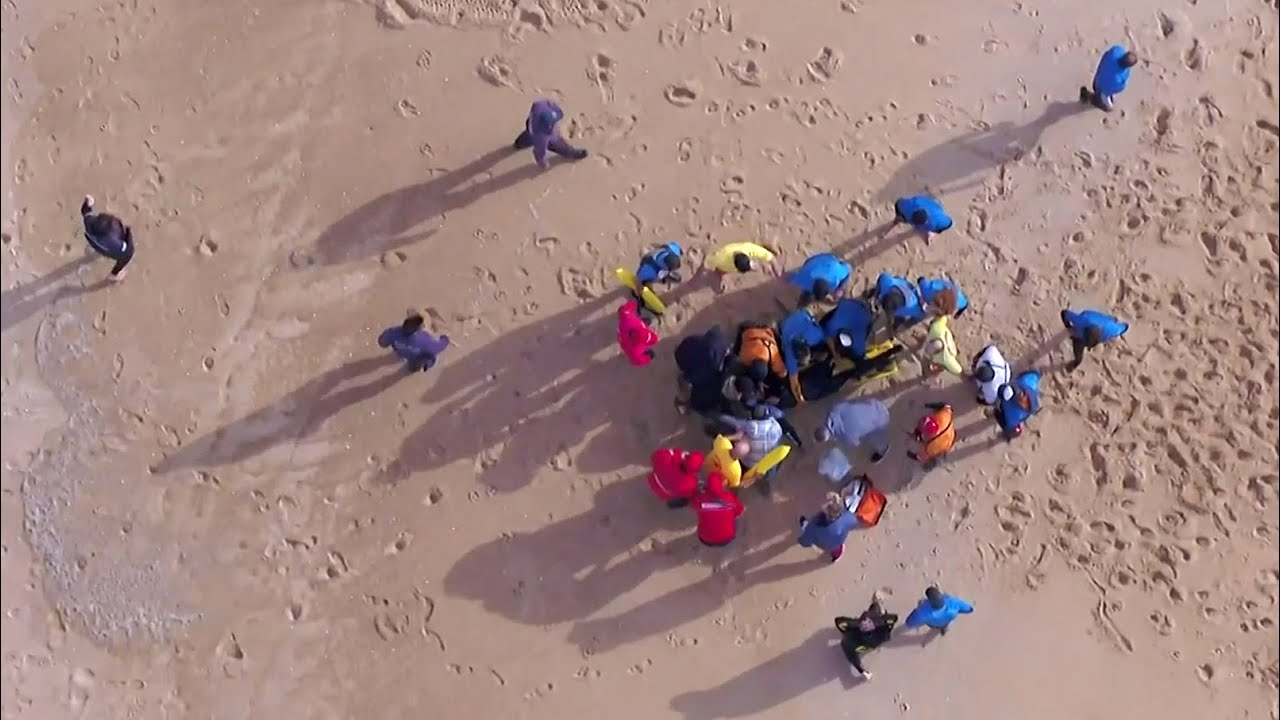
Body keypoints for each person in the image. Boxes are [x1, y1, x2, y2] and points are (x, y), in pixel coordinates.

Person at [716, 405, 794, 495]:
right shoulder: (776, 427)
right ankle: (766, 482)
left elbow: (736, 425)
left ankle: (735, 488)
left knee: (740, 448)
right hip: (764, 464)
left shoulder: (749, 426)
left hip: (748, 462)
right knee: (775, 459)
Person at [835, 596, 899, 680]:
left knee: (847, 646)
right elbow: (894, 618)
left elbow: (838, 621)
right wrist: (882, 620)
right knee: (875, 606)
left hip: (861, 645)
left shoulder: (850, 639)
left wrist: (862, 671)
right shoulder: (881, 627)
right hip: (878, 639)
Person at [674, 326, 733, 415]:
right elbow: (688, 378)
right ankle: (683, 402)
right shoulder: (711, 367)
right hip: (684, 359)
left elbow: (715, 328)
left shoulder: (720, 339)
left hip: (689, 342)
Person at [513, 99, 589, 168]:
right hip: (541, 136)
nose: (555, 124)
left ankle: (518, 144)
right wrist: (543, 163)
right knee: (561, 146)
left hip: (530, 127)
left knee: (527, 137)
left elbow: (549, 103)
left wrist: (557, 111)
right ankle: (572, 153)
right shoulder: (542, 138)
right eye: (553, 124)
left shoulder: (539, 107)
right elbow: (539, 153)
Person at [814, 399, 891, 464]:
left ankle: (883, 449)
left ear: (828, 438)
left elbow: (856, 443)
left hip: (883, 419)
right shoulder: (835, 410)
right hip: (875, 403)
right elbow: (846, 403)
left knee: (870, 435)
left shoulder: (845, 437)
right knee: (856, 408)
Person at [80, 195, 134, 282]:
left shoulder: (90, 222)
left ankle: (98, 251)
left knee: (102, 247)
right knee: (124, 259)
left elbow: (85, 211)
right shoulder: (117, 244)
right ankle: (114, 274)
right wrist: (128, 232)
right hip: (116, 251)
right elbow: (129, 251)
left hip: (95, 242)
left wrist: (88, 202)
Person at [778, 309, 826, 400]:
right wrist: (799, 398)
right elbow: (794, 382)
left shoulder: (816, 336)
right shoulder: (789, 354)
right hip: (788, 323)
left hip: (801, 316)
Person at [377, 312, 451, 372]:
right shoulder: (425, 341)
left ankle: (404, 360)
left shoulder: (392, 332)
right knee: (419, 365)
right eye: (422, 325)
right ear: (418, 329)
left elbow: (382, 343)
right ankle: (414, 369)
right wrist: (445, 338)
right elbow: (439, 347)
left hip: (402, 352)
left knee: (403, 354)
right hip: (417, 360)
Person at [797, 491, 859, 562]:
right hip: (838, 541)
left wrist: (801, 541)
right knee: (836, 548)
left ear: (826, 510)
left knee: (808, 530)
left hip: (823, 542)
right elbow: (854, 523)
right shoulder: (849, 516)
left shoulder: (813, 527)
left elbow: (806, 542)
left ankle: (805, 526)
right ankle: (836, 556)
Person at [1060, 308, 1129, 370]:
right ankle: (1076, 362)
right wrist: (1068, 326)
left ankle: (1077, 361)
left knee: (1109, 319)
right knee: (1078, 350)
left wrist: (1124, 326)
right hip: (1087, 319)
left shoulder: (1111, 330)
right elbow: (1064, 313)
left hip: (1098, 321)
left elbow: (1124, 327)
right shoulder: (1081, 321)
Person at [691, 472, 744, 547]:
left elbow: (693, 504)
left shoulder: (700, 500)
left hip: (705, 540)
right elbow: (740, 510)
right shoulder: (729, 498)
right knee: (735, 518)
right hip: (727, 539)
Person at [1080, 46, 1138, 112]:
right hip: (1102, 89)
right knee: (1100, 101)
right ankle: (1086, 95)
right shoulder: (1119, 81)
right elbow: (1107, 94)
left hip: (1098, 79)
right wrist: (1109, 107)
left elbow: (1106, 55)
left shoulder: (1116, 51)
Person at [701, 241, 778, 291]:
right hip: (724, 265)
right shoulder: (720, 256)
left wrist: (778, 275)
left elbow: (771, 258)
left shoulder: (750, 249)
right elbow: (706, 264)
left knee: (755, 266)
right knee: (721, 271)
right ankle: (720, 274)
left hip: (731, 265)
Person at [733, 321, 787, 390]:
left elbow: (783, 372)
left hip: (765, 331)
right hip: (751, 329)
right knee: (737, 350)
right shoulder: (747, 357)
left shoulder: (774, 358)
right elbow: (783, 373)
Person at [993, 370, 1042, 440]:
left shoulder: (1012, 412)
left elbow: (1011, 425)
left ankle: (1011, 434)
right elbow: (1035, 374)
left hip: (1021, 415)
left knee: (1011, 429)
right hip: (1033, 399)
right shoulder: (1026, 381)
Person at [904, 586, 973, 635]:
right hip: (947, 620)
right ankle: (944, 630)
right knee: (945, 625)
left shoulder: (922, 612)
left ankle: (940, 628)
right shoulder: (954, 603)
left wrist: (920, 606)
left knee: (929, 622)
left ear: (929, 601)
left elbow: (909, 623)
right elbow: (969, 609)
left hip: (932, 624)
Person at [911, 402, 955, 469]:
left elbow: (924, 455)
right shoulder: (944, 416)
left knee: (936, 454)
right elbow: (947, 407)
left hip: (944, 445)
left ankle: (931, 464)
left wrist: (916, 456)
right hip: (950, 433)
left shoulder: (931, 446)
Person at [617, 300, 659, 366]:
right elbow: (638, 361)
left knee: (647, 320)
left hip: (625, 331)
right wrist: (647, 358)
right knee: (651, 354)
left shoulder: (627, 319)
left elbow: (622, 310)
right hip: (626, 343)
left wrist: (634, 304)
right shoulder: (636, 352)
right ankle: (650, 354)